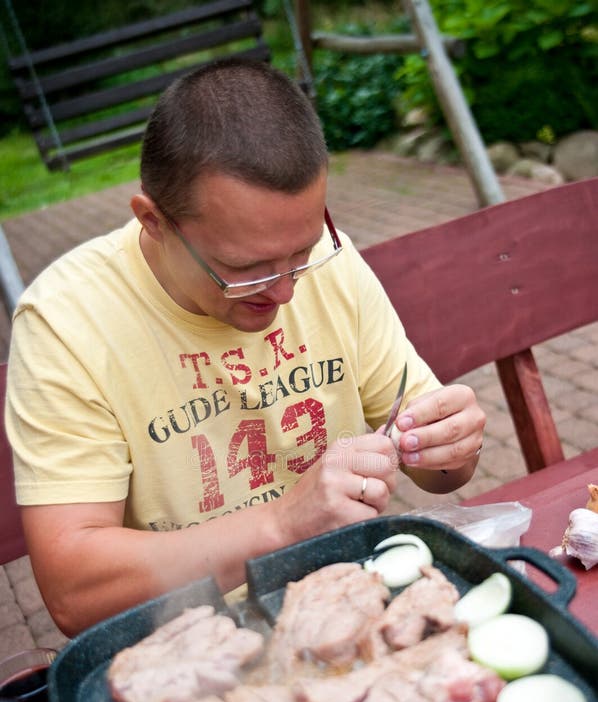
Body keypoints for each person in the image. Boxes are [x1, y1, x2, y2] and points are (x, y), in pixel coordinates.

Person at [5, 59, 485, 637]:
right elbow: (73, 591)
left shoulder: (332, 265)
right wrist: (283, 522)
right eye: (243, 268)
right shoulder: (67, 321)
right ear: (153, 221)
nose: (284, 291)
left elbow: (441, 473)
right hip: (194, 640)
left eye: (303, 252)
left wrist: (451, 448)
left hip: (356, 598)